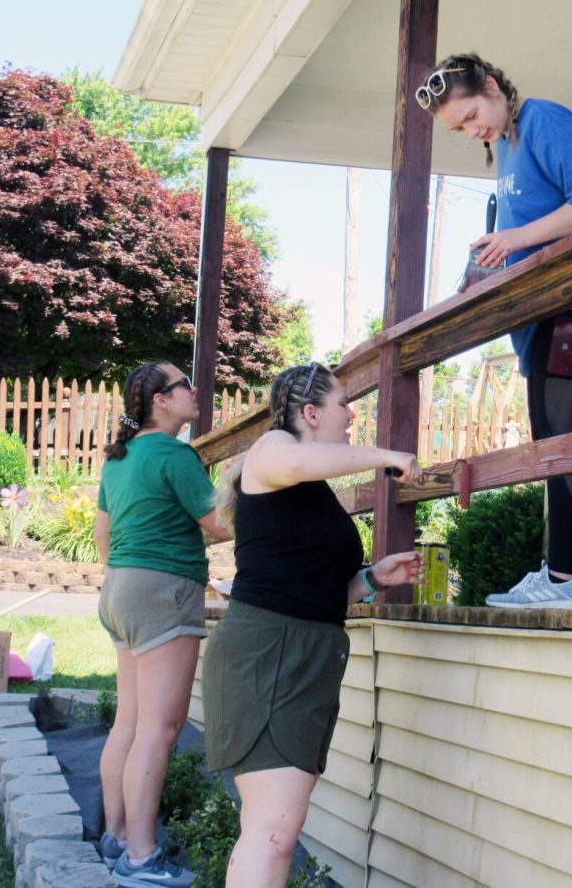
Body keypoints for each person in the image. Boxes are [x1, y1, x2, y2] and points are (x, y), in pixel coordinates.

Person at [416, 52, 572, 610]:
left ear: (492, 85)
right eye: (460, 127)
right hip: (547, 314)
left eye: (471, 114)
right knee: (561, 444)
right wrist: (484, 272)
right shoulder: (507, 146)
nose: (472, 130)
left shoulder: (544, 121)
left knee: (558, 443)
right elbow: (521, 237)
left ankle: (562, 580)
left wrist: (514, 240)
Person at [201, 362, 425, 888]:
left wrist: (371, 578)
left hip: (299, 655)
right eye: (343, 403)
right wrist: (385, 456)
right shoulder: (273, 450)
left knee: (269, 829)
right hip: (268, 655)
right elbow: (303, 460)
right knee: (274, 833)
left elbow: (311, 587)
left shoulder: (305, 485)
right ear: (309, 412)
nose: (351, 414)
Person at [93, 361, 232, 887]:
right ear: (160, 401)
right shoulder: (175, 455)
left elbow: (104, 541)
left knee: (128, 724)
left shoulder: (119, 458)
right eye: (183, 385)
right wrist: (251, 488)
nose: (194, 391)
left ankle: (119, 837)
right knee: (159, 729)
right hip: (163, 591)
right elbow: (218, 523)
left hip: (120, 590)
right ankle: (142, 859)